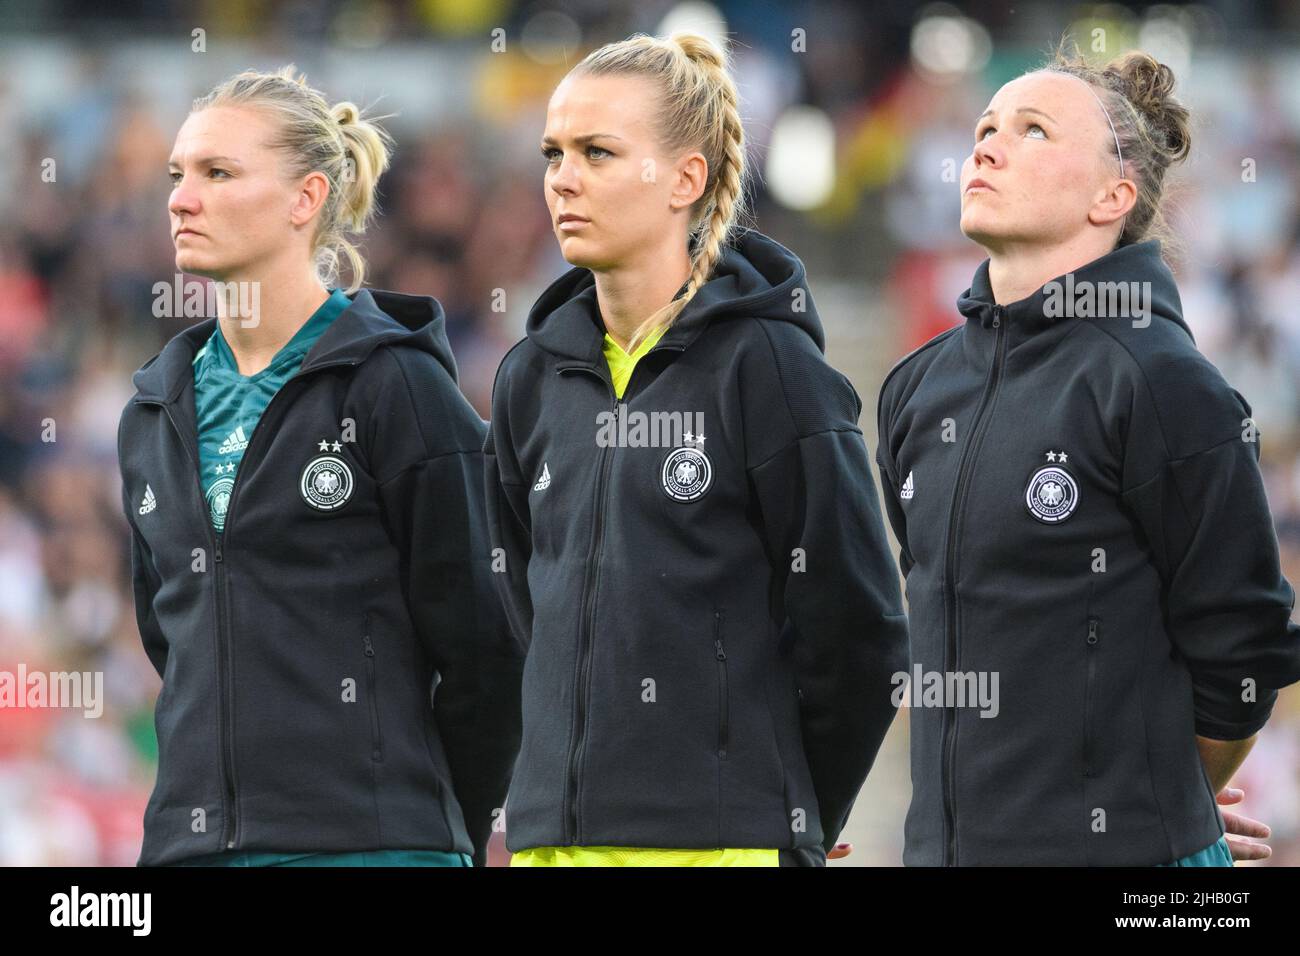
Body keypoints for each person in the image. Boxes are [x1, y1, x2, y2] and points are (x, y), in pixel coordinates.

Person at [484, 32, 909, 867]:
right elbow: (515, 617)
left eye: (598, 152)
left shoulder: (774, 369)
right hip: (548, 850)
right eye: (554, 153)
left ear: (687, 179)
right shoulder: (528, 378)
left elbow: (856, 631)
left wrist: (788, 812)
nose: (564, 177)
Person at [874, 45, 1300, 866]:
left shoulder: (1161, 380)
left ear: (1115, 194)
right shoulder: (916, 390)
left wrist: (1169, 802)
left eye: (1033, 131)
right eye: (986, 127)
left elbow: (1244, 650)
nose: (988, 146)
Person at [117, 66, 523, 867]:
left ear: (305, 200)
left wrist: (432, 830)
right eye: (178, 174)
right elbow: (177, 646)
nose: (181, 197)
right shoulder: (151, 412)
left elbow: (486, 651)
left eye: (217, 173)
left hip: (371, 848)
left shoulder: (395, 385)